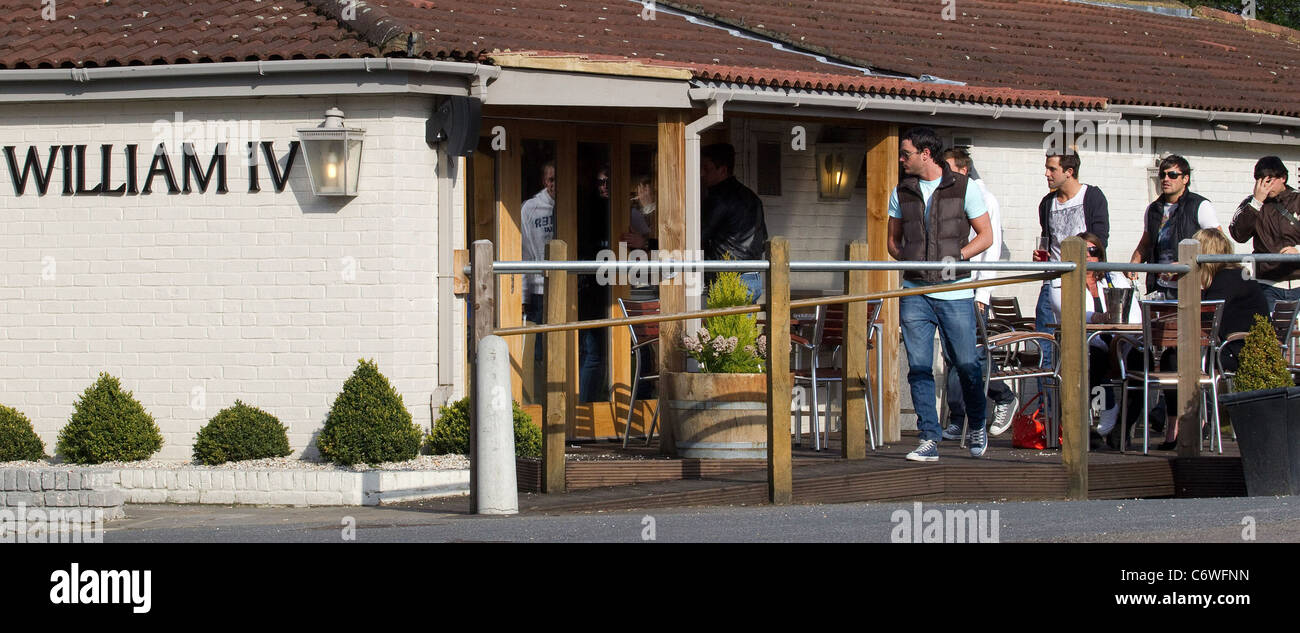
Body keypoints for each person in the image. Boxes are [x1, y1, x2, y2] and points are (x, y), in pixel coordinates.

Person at [887, 127, 994, 461]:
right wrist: (907, 259)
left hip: (955, 291)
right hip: (914, 292)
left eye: (906, 154)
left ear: (925, 154)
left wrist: (958, 256)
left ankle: (976, 422)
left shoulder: (964, 188)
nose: (901, 160)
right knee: (918, 366)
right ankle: (928, 438)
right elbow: (892, 240)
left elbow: (986, 236)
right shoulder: (901, 191)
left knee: (965, 362)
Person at [938, 148, 1018, 438]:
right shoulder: (950, 198)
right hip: (952, 287)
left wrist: (983, 296)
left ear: (964, 168)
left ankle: (1003, 395)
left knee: (971, 354)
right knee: (952, 356)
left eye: (948, 167)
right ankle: (959, 417)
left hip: (971, 291)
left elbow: (991, 249)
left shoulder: (985, 198)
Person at [1049, 233, 1140, 450]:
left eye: (1094, 251)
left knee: (1141, 360)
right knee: (1093, 358)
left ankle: (1122, 427)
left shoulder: (1114, 277)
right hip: (1087, 344)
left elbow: (1135, 314)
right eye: (1084, 251)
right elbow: (1066, 310)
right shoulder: (1061, 278)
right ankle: (1090, 425)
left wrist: (1120, 336)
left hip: (1120, 342)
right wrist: (1097, 318)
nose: (1089, 256)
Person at [1034, 153, 1110, 362]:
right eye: (1047, 168)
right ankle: (1047, 395)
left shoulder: (1092, 196)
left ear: (1069, 172)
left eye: (1052, 169)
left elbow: (1101, 241)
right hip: (1053, 280)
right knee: (1046, 345)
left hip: (1084, 282)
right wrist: (1042, 256)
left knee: (1089, 344)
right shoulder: (1047, 203)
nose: (1046, 174)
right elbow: (1047, 239)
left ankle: (1088, 392)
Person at [1128, 155, 1221, 298]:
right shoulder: (1153, 209)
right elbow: (1145, 244)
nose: (1166, 179)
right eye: (1162, 175)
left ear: (1185, 179)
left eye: (1172, 175)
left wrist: (1187, 262)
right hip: (1159, 288)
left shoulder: (1200, 206)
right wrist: (1134, 263)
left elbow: (1219, 245)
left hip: (1192, 285)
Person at [1228, 156, 1300, 313]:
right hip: (1266, 284)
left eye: (1270, 180)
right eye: (1260, 180)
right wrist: (1256, 203)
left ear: (1283, 178)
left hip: (1298, 282)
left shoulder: (1297, 200)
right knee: (1267, 334)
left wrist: (1298, 251)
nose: (1265, 185)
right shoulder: (1251, 204)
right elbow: (1238, 235)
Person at [701, 143, 767, 302]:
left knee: (725, 325)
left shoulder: (718, 199)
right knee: (742, 326)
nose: (702, 174)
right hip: (752, 275)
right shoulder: (752, 198)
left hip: (728, 276)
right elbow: (763, 237)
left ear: (722, 170)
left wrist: (650, 244)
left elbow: (698, 235)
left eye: (707, 168)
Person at [576, 166, 612, 403]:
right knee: (594, 352)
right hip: (590, 291)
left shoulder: (618, 210)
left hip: (613, 288)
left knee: (602, 353)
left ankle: (593, 404)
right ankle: (585, 407)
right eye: (601, 182)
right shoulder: (587, 212)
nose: (605, 187)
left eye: (609, 182)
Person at [520, 161, 556, 326]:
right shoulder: (530, 209)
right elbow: (524, 253)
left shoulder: (573, 205)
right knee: (540, 344)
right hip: (540, 289)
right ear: (544, 181)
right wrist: (523, 295)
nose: (555, 185)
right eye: (551, 179)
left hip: (569, 287)